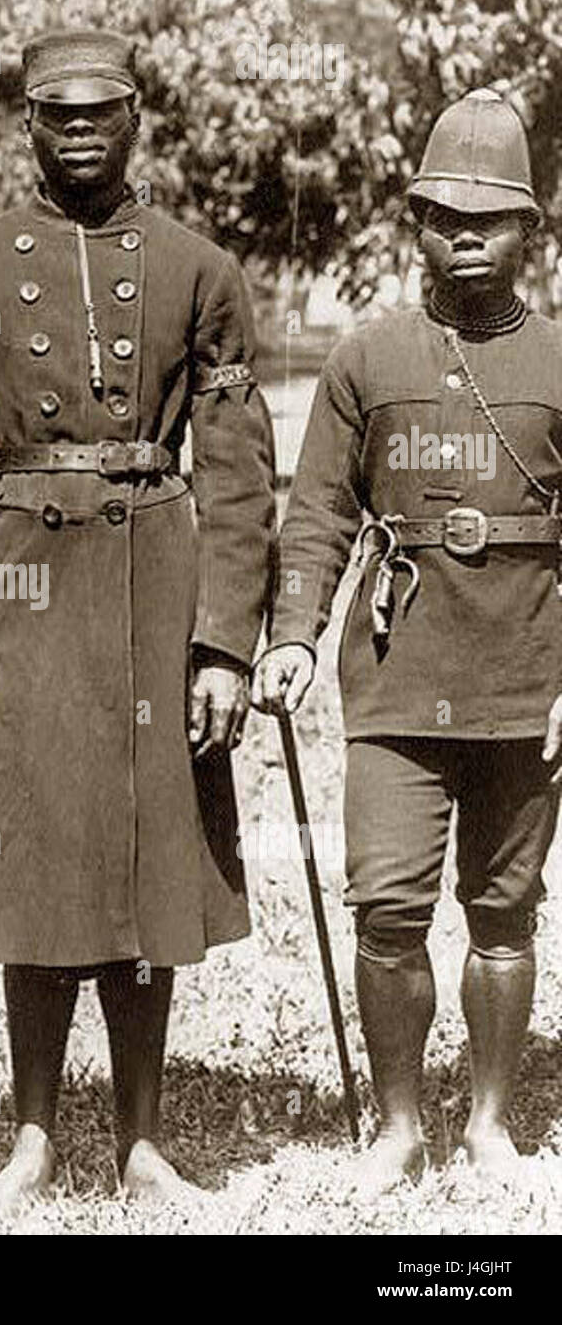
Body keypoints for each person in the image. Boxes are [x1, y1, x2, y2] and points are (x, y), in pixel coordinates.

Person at [0, 29, 275, 1210]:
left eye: (97, 113)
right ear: (25, 126)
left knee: (150, 858)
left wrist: (222, 641)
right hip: (17, 586)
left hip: (151, 582)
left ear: (133, 120)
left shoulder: (199, 268)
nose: (76, 132)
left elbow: (241, 466)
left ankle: (143, 1139)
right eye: (53, 115)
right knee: (33, 859)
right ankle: (30, 1133)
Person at [254, 88, 561, 1194]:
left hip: (525, 678)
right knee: (385, 907)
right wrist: (290, 634)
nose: (465, 233)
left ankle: (486, 1121)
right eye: (443, 213)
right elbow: (317, 515)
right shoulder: (365, 359)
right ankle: (395, 1126)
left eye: (490, 216)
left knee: (501, 905)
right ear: (413, 223)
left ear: (531, 229)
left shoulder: (559, 362)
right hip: (393, 671)